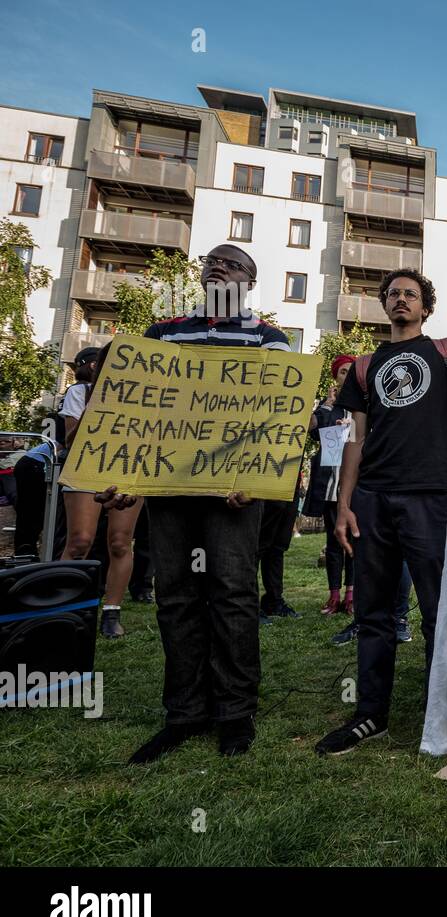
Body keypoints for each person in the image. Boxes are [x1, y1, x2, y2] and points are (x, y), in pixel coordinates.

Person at [128, 243, 290, 763]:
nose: (219, 265)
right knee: (174, 593)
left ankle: (235, 712)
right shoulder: (162, 334)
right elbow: (137, 409)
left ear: (250, 280)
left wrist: (258, 478)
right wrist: (127, 475)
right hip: (170, 488)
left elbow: (280, 418)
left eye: (233, 262)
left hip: (235, 490)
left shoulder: (271, 340)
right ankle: (184, 712)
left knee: (234, 592)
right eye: (212, 261)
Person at [315, 268, 447, 755]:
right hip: (374, 499)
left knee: (440, 611)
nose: (401, 300)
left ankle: (444, 712)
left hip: (432, 498)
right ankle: (370, 714)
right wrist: (344, 506)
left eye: (410, 294)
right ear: (384, 304)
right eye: (393, 294)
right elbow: (355, 437)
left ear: (425, 306)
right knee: (374, 612)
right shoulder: (364, 366)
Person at [59, 346, 144, 639]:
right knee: (80, 541)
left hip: (127, 469)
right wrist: (93, 408)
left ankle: (111, 613)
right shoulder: (80, 393)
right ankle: (60, 608)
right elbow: (69, 441)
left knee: (120, 542)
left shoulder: (143, 397)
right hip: (86, 467)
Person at [305, 354, 356, 616]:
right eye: (343, 372)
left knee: (355, 542)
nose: (347, 376)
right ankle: (334, 595)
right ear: (335, 376)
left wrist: (352, 428)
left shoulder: (362, 406)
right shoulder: (328, 407)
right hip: (330, 486)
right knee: (334, 542)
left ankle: (351, 595)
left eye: (351, 371)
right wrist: (323, 406)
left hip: (356, 486)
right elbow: (311, 429)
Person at [256, 468, 302, 624]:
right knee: (258, 545)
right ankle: (249, 604)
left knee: (278, 546)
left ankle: (273, 601)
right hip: (268, 476)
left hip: (292, 479)